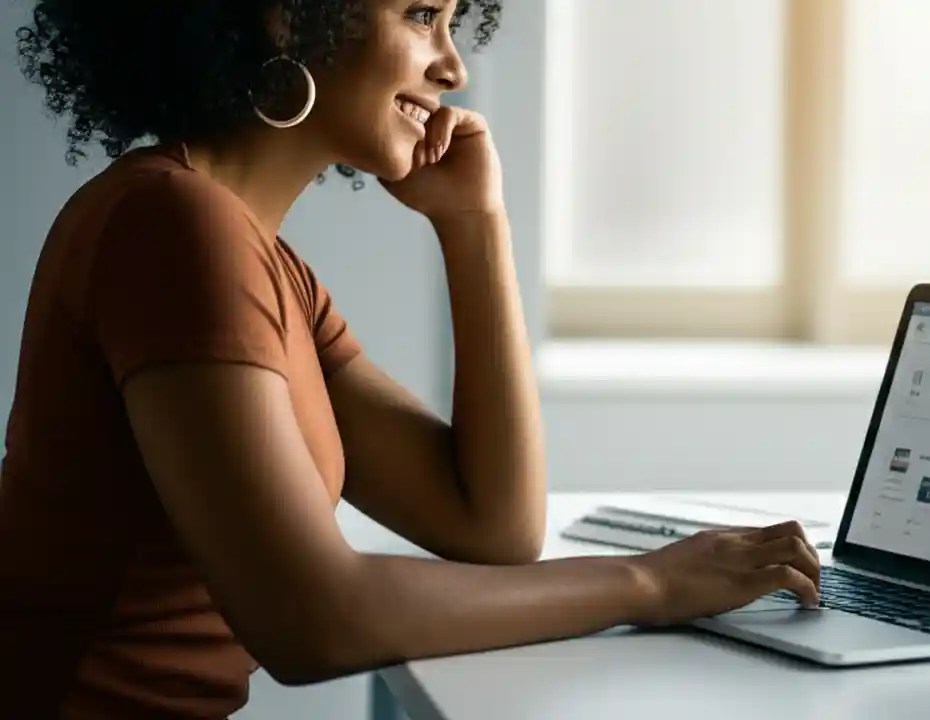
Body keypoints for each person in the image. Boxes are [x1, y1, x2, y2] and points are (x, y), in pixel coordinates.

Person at [0, 1, 822, 717]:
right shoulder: (175, 230)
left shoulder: (263, 264)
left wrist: (475, 228)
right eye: (423, 16)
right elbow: (313, 619)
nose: (455, 68)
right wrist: (651, 585)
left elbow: (491, 525)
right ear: (292, 13)